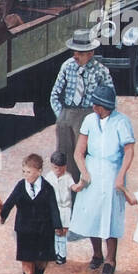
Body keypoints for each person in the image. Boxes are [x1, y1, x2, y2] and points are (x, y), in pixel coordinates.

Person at [69, 83, 136, 274]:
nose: (93, 107)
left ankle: (111, 259)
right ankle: (97, 254)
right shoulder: (89, 120)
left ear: (104, 105)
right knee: (92, 214)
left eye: (96, 104)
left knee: (110, 216)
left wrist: (121, 175)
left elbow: (129, 151)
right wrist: (84, 172)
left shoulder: (122, 122)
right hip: (91, 172)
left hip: (111, 172)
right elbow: (78, 152)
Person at [0, 153, 62, 274]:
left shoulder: (47, 188)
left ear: (39, 171)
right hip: (25, 231)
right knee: (27, 263)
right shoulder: (21, 186)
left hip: (44, 231)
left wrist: (57, 226)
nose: (25, 175)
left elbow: (54, 208)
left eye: (28, 172)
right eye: (24, 172)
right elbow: (10, 202)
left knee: (41, 263)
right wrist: (3, 215)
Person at [50, 29, 113, 186]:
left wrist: (99, 121)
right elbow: (55, 95)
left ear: (90, 53)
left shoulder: (101, 71)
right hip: (66, 114)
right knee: (64, 158)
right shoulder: (67, 67)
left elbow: (110, 100)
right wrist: (61, 116)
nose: (75, 56)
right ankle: (68, 196)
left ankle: (86, 192)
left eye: (80, 53)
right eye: (74, 52)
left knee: (85, 157)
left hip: (89, 115)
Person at [44, 151, 75, 265]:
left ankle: (62, 254)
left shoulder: (68, 177)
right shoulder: (48, 177)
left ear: (65, 167)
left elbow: (73, 187)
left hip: (65, 208)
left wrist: (80, 185)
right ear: (52, 166)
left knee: (62, 232)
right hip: (53, 208)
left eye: (61, 168)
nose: (58, 171)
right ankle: (54, 252)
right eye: (55, 168)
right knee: (53, 231)